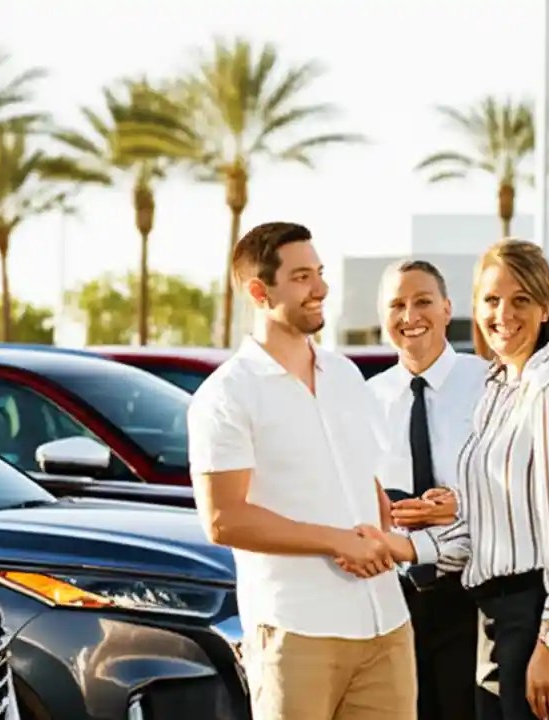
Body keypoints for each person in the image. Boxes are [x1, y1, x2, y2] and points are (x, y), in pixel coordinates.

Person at [367, 239, 549, 720]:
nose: (504, 313)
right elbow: (487, 520)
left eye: (521, 300)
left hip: (537, 614)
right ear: (475, 308)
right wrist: (407, 549)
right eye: (492, 300)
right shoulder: (503, 391)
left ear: (545, 308)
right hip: (496, 616)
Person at [187, 221, 415, 720]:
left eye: (320, 273)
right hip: (297, 633)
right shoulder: (226, 396)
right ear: (258, 290)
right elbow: (223, 519)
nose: (321, 289)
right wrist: (336, 541)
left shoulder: (347, 375)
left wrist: (390, 529)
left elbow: (365, 477)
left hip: (387, 626)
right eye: (302, 277)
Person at [366, 259, 487, 720]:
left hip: (471, 591)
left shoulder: (487, 384)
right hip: (396, 598)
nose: (409, 315)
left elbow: (516, 485)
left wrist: (461, 504)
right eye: (397, 304)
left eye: (422, 301)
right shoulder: (367, 398)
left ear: (446, 309)